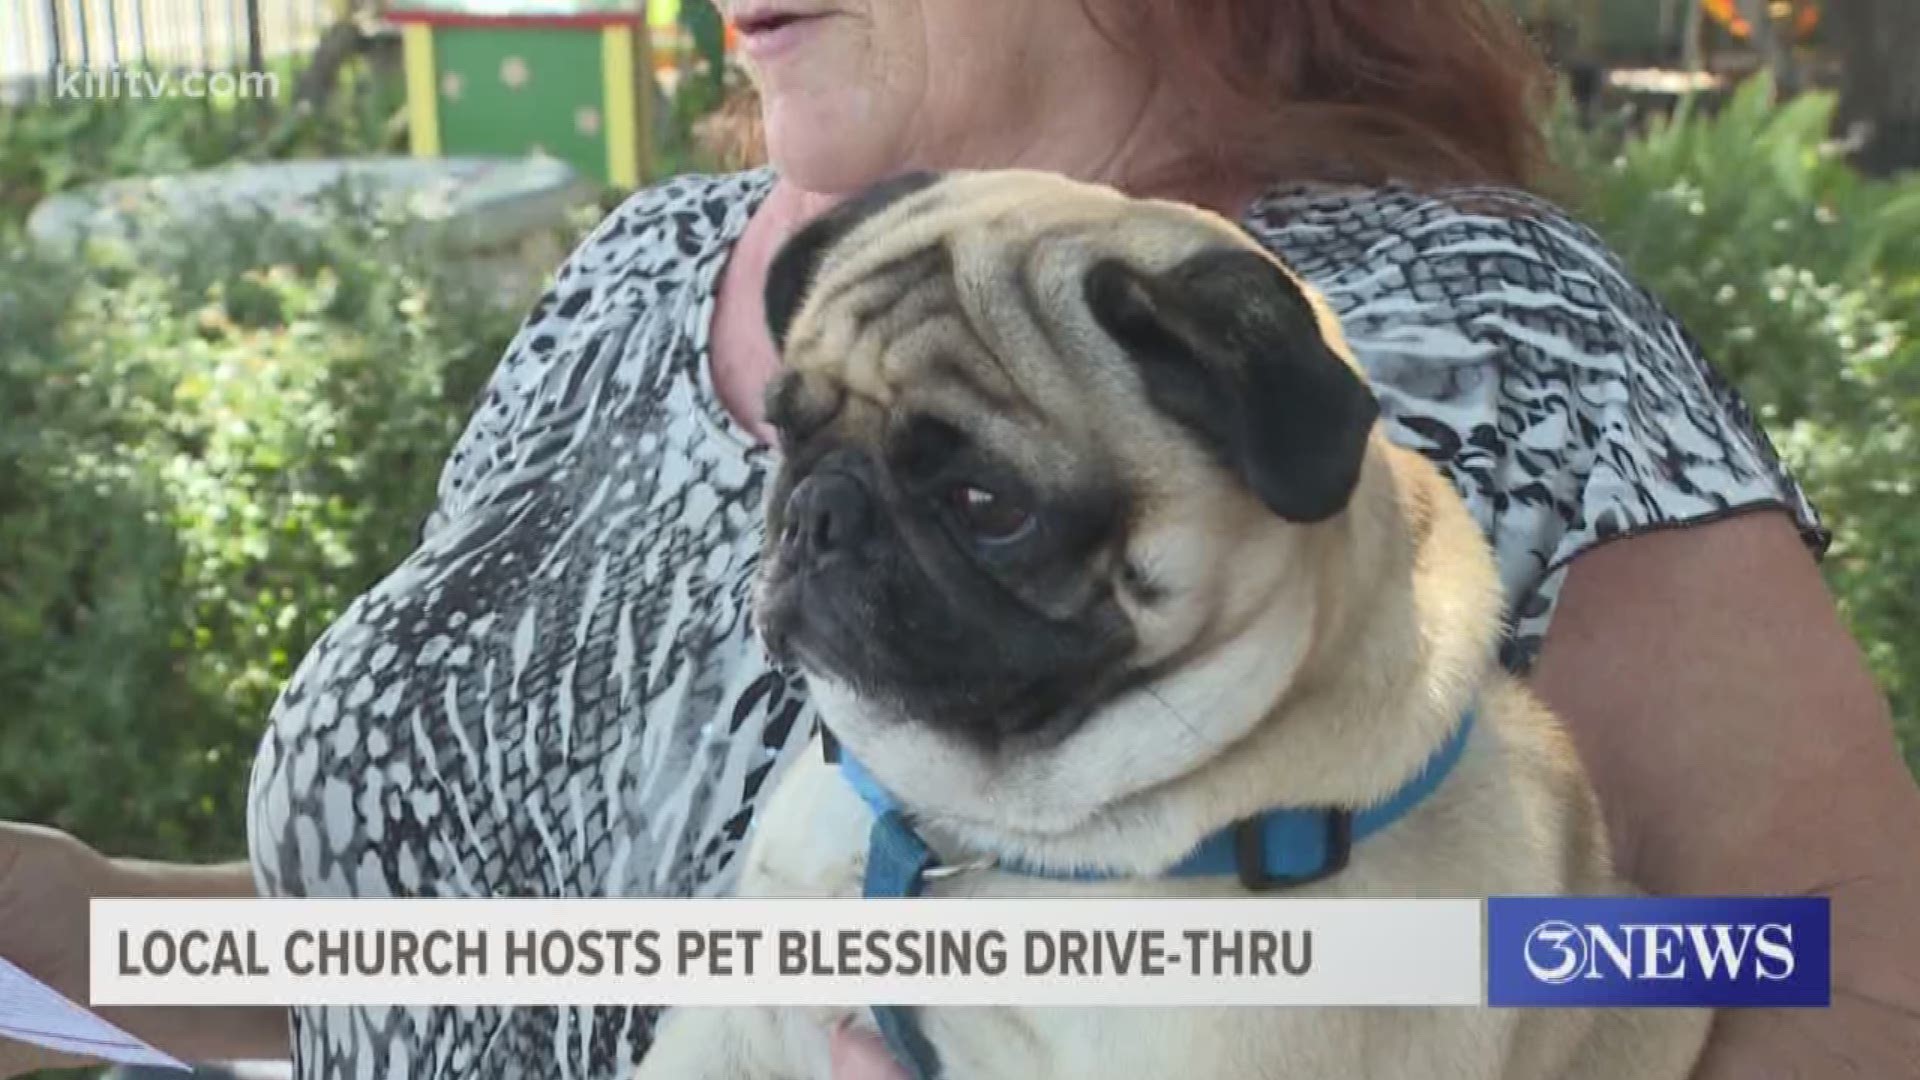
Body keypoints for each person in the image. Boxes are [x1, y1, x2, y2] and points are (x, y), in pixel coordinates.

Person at [4, 2, 1919, 1078]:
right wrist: (76, 923)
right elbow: (460, 950)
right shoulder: (635, 276)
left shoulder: (1484, 328)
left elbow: (1827, 994)